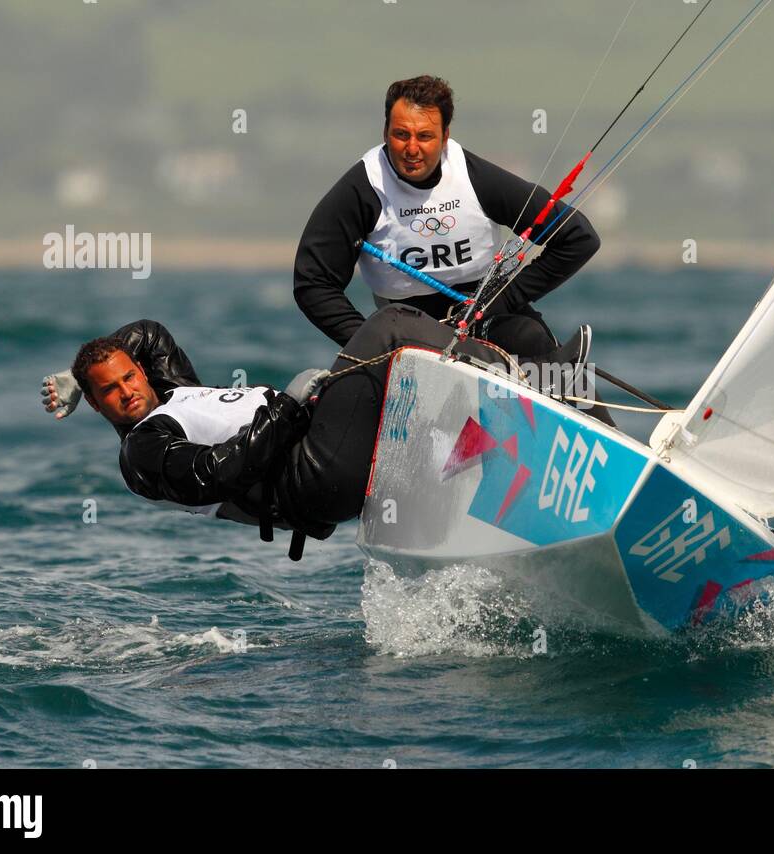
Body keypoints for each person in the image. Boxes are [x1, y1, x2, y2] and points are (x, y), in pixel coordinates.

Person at [40, 306, 590, 554]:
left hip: (313, 454)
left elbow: (147, 331)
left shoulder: (173, 392)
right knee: (388, 328)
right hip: (305, 480)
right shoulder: (144, 448)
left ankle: (510, 459)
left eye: (128, 377)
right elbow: (217, 473)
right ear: (95, 406)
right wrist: (288, 409)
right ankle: (542, 386)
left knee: (425, 368)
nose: (126, 392)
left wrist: (75, 372)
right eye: (108, 392)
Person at [293, 75, 601, 359]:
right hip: (402, 326)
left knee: (530, 338)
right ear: (385, 132)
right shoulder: (363, 188)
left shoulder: (476, 179)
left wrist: (503, 299)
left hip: (488, 315)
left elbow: (578, 238)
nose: (411, 148)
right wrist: (371, 344)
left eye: (425, 136)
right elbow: (312, 281)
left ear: (444, 137)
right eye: (401, 135)